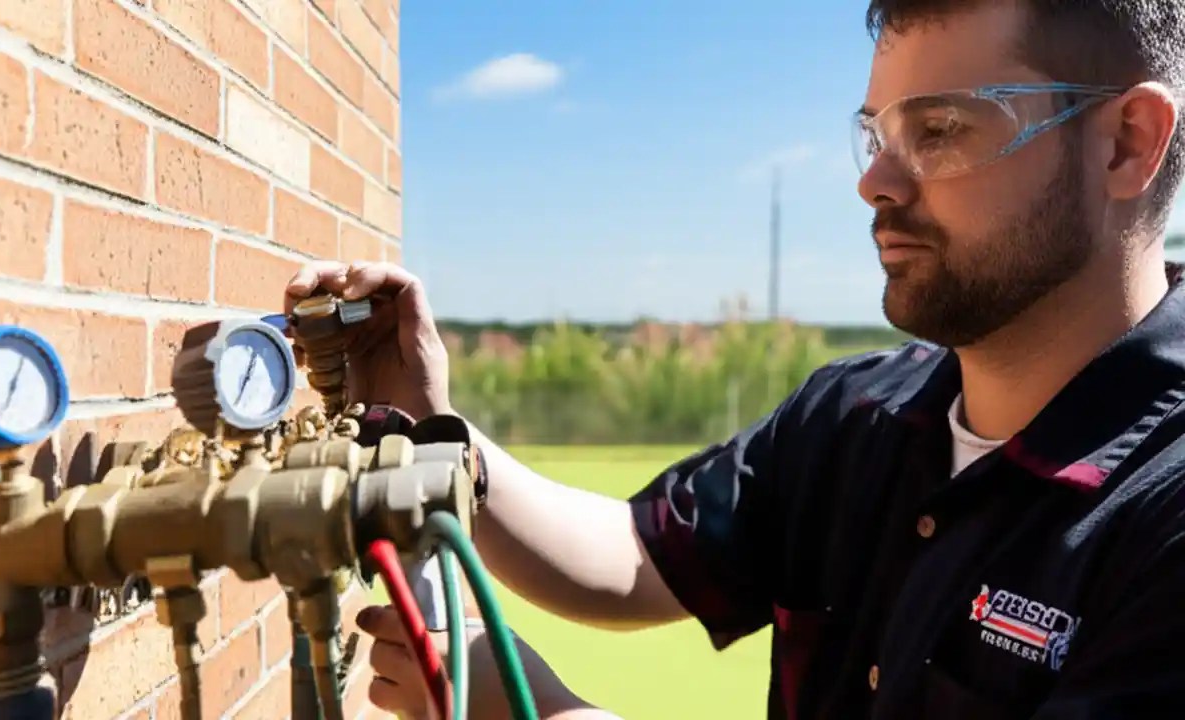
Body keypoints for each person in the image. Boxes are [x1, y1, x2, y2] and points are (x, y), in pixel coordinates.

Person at [284, 1, 1185, 718]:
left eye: (942, 130)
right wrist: (442, 441)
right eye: (878, 133)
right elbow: (634, 557)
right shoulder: (857, 413)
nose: (875, 180)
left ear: (1126, 142)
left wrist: (535, 711)